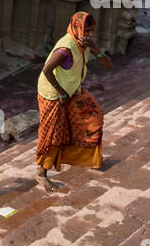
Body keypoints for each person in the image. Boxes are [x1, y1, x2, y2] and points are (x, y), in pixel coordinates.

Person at [36, 10, 111, 192]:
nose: (89, 35)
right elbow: (46, 70)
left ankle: (87, 158)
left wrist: (96, 49)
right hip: (54, 94)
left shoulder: (85, 44)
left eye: (91, 31)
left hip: (72, 90)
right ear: (77, 29)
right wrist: (61, 92)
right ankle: (41, 174)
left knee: (93, 118)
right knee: (53, 134)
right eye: (86, 31)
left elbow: (109, 66)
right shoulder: (65, 48)